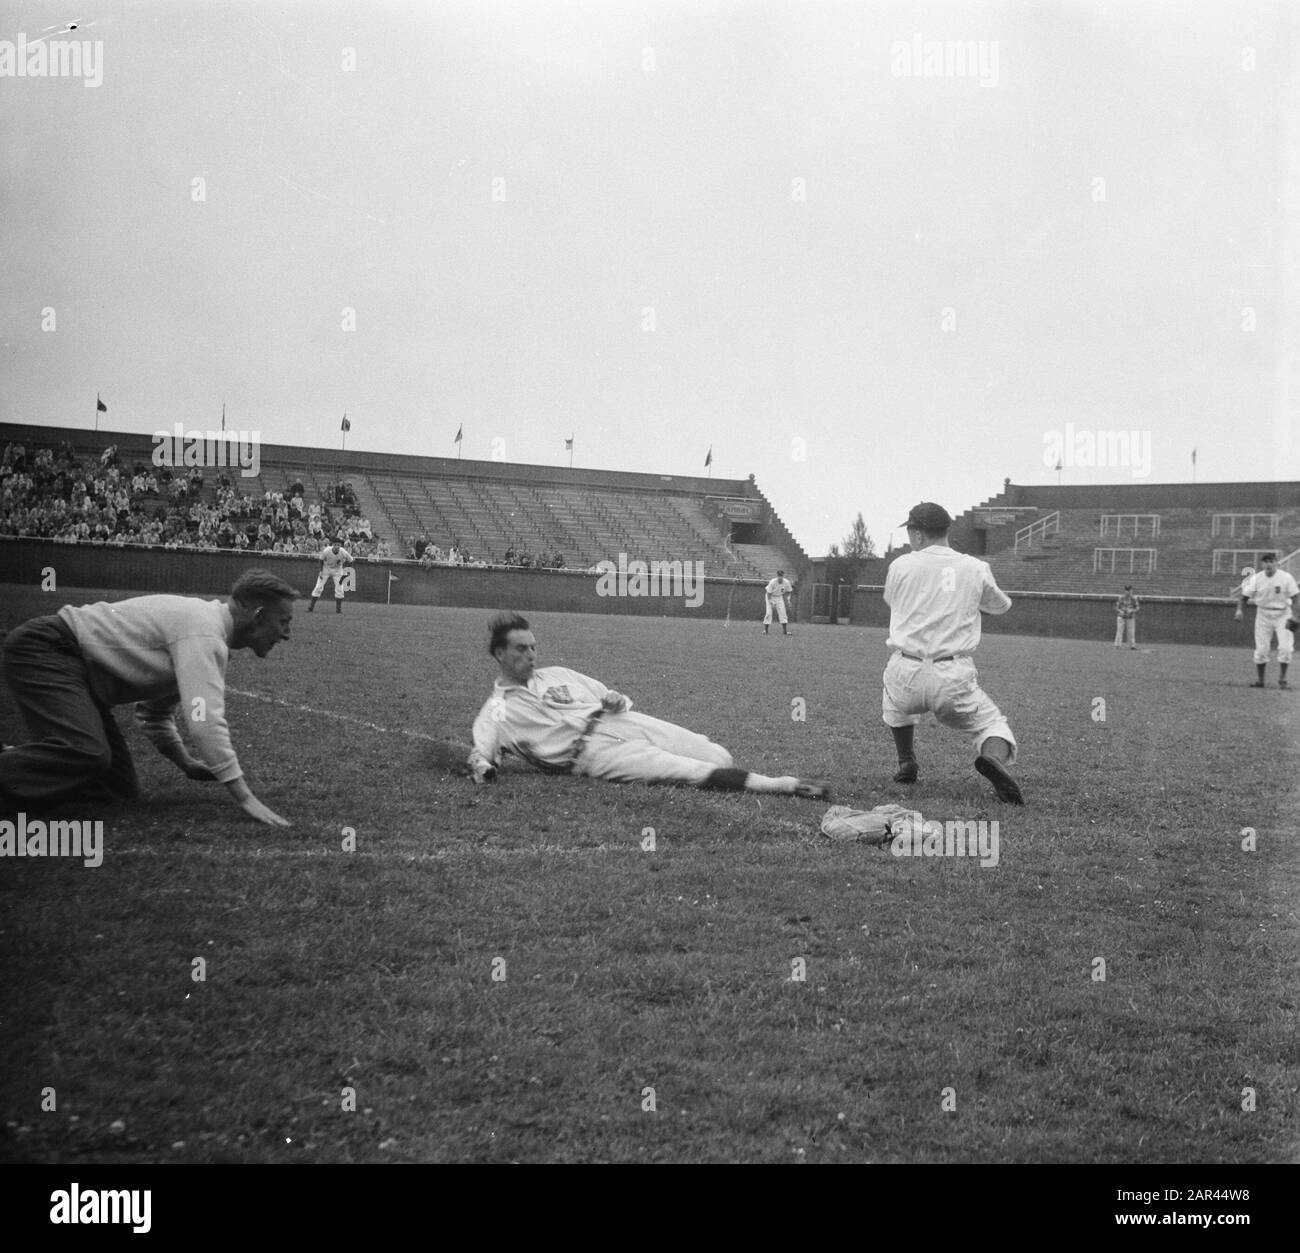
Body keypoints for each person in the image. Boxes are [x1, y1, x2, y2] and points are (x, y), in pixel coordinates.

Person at [0, 569, 298, 825]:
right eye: (283, 621)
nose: (286, 633)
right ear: (258, 616)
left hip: (76, 673)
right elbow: (204, 719)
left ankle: (17, 760)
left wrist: (185, 762)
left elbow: (155, 713)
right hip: (46, 649)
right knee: (87, 752)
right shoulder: (205, 633)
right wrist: (245, 798)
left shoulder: (208, 635)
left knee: (117, 789)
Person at [467, 612, 830, 798]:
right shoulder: (498, 710)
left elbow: (612, 695)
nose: (531, 654)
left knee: (718, 756)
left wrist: (614, 698)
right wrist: (483, 767)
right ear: (499, 654)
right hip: (590, 755)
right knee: (685, 771)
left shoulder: (557, 674)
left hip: (621, 721)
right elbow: (482, 755)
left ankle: (765, 780)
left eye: (533, 647)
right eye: (520, 648)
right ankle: (782, 784)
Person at [882, 502, 1023, 804]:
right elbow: (1001, 606)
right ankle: (993, 759)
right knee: (991, 724)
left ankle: (906, 762)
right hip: (952, 674)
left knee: (894, 702)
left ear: (918, 535)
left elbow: (893, 601)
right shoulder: (975, 567)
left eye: (910, 531)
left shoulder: (900, 565)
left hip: (906, 669)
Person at [1235, 553, 1298, 689]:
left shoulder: (1286, 578)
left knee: (1286, 648)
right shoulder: (1256, 579)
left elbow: (1295, 598)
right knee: (1262, 649)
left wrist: (1295, 616)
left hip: (1283, 613)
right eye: (1265, 562)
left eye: (1271, 561)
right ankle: (1260, 681)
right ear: (1262, 564)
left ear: (1277, 563)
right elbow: (1243, 597)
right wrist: (1239, 610)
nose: (1268, 564)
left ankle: (1282, 679)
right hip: (1263, 613)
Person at [308, 539, 353, 612]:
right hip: (326, 569)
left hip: (338, 571)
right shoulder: (327, 551)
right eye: (335, 544)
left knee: (340, 589)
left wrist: (347, 572)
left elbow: (351, 560)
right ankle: (311, 607)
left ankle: (338, 609)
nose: (336, 546)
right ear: (332, 545)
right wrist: (320, 571)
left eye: (338, 545)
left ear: (340, 546)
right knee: (318, 587)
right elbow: (321, 560)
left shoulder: (343, 552)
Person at [763, 569, 794, 635]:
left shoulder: (786, 582)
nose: (780, 577)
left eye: (781, 576)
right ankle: (766, 631)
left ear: (783, 576)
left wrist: (788, 600)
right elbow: (768, 594)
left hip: (779, 597)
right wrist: (771, 603)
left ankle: (785, 632)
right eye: (779, 576)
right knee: (768, 613)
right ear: (777, 576)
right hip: (770, 596)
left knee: (783, 613)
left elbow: (789, 592)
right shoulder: (773, 582)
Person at [1114, 584, 1140, 649]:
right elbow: (1117, 607)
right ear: (1124, 591)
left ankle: (1132, 646)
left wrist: (1132, 610)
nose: (1128, 592)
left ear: (1131, 590)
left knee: (1131, 631)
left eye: (1129, 590)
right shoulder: (1121, 598)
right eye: (1127, 590)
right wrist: (1120, 611)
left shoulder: (1134, 598)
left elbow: (1137, 607)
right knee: (1119, 630)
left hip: (1130, 616)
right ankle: (1117, 645)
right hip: (1121, 616)